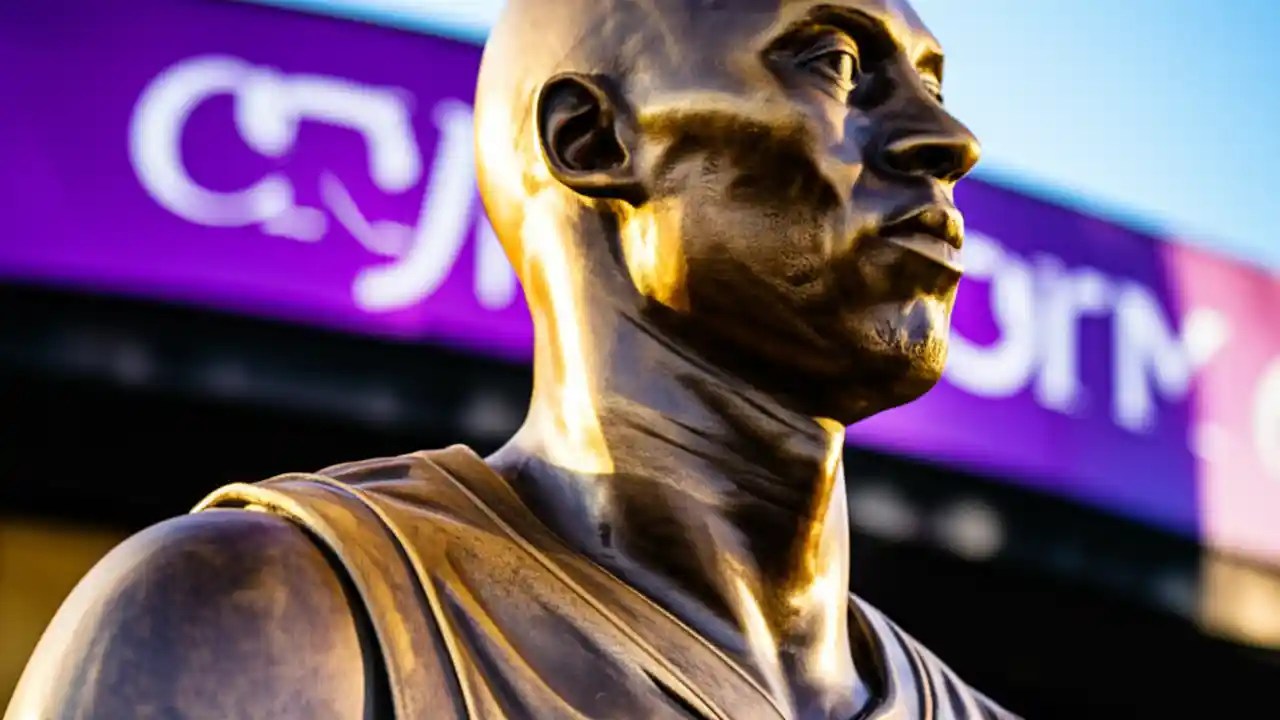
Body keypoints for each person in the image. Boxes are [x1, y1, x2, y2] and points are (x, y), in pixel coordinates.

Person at [6, 0, 1018, 717]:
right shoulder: (257, 619)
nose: (948, 139)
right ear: (589, 140)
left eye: (930, 84)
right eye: (833, 62)